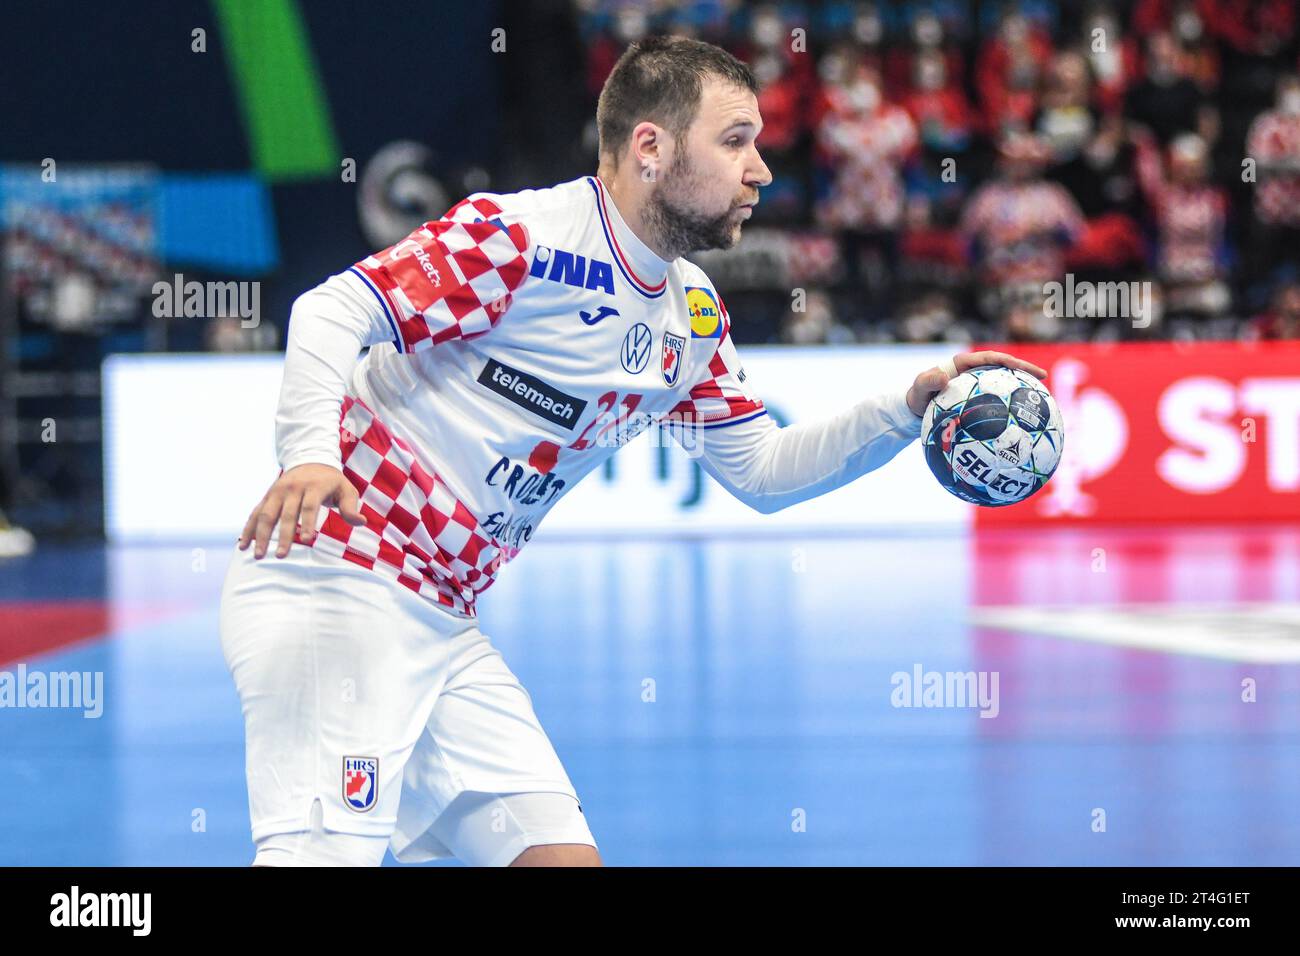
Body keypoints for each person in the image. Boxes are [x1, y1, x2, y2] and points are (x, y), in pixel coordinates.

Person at [221, 34, 1046, 868]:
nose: (760, 169)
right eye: (734, 142)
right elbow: (334, 309)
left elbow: (761, 472)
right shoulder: (518, 240)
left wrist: (904, 410)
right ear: (650, 147)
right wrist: (309, 454)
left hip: (443, 614)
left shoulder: (689, 316)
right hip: (337, 576)